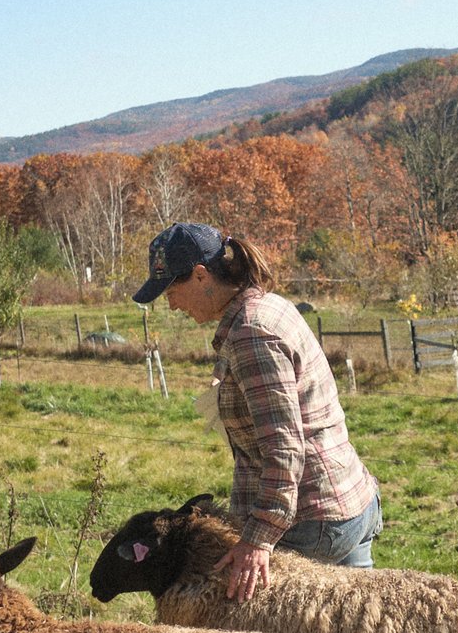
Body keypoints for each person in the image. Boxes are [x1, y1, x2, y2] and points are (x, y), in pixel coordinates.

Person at [134, 222, 379, 601]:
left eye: (172, 290)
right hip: (346, 501)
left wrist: (258, 540)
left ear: (200, 276)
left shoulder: (251, 333)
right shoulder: (268, 306)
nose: (171, 304)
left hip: (308, 522)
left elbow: (283, 447)